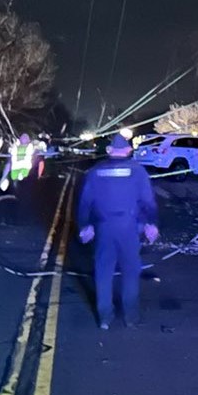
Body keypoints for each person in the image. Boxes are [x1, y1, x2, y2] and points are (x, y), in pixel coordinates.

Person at [77, 135, 160, 329]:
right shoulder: (138, 171)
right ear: (128, 150)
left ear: (109, 150)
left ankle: (105, 318)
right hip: (128, 227)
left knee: (103, 272)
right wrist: (152, 223)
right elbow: (148, 202)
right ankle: (131, 317)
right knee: (130, 271)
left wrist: (84, 225)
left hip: (104, 227)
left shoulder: (95, 172)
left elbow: (85, 202)